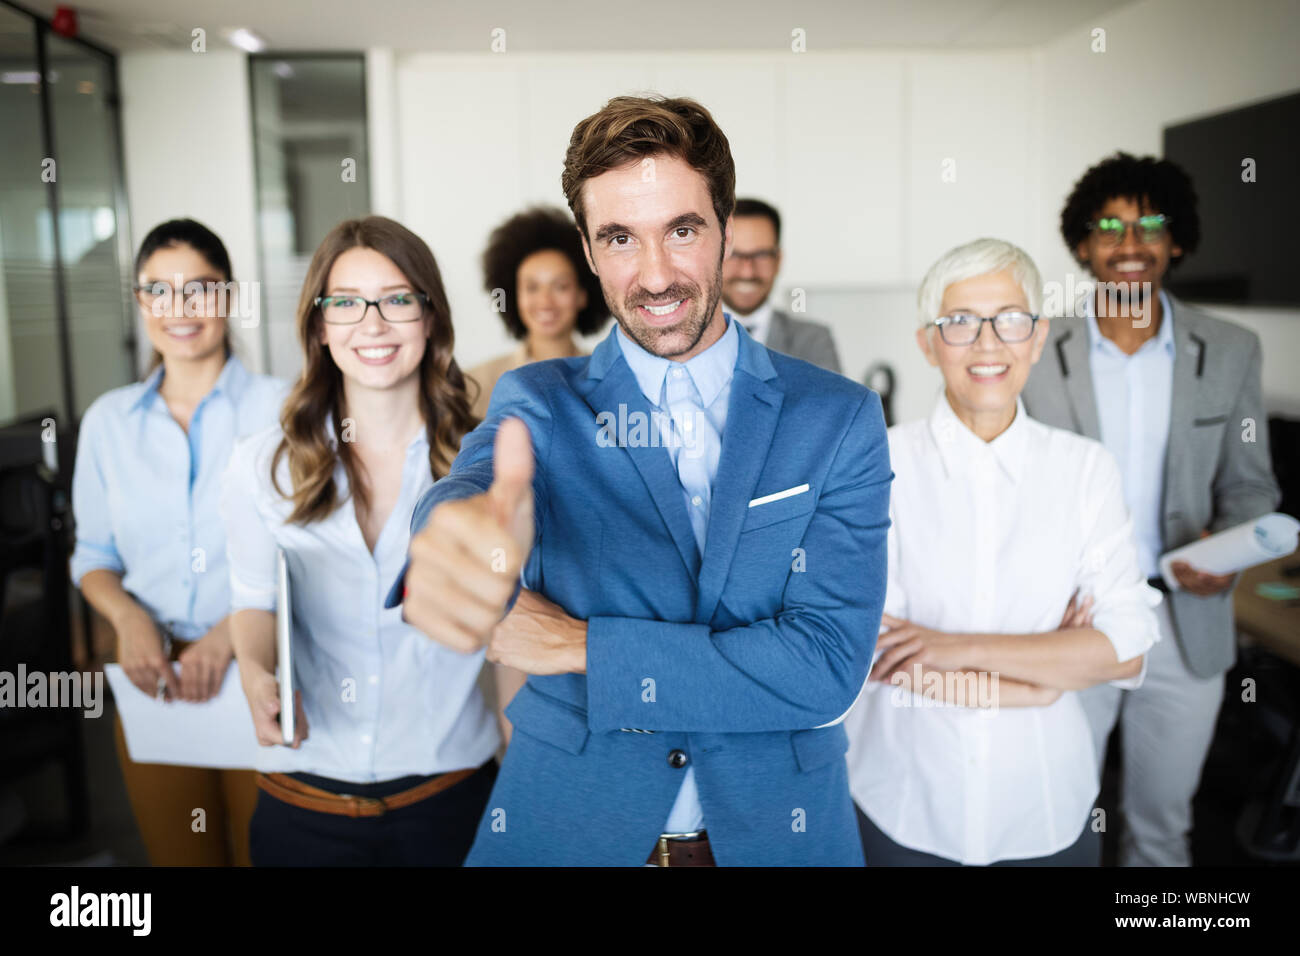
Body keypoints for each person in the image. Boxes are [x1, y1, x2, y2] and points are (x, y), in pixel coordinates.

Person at [389, 95, 892, 867]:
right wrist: (453, 531)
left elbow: (824, 669)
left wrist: (578, 645)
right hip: (568, 830)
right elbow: (478, 486)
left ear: (724, 229)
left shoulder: (838, 417)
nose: (655, 275)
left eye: (681, 231)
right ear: (590, 253)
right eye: (620, 237)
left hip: (777, 837)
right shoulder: (541, 401)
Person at [844, 237, 1161, 866]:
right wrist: (1044, 678)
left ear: (1038, 338)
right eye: (959, 322)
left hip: (1044, 811)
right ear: (928, 343)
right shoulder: (876, 464)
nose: (988, 344)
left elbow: (1125, 650)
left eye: (1010, 320)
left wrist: (955, 647)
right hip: (905, 808)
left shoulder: (1084, 470)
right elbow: (880, 657)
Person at [1022, 153, 1281, 866]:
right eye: (1110, 226)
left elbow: (1252, 486)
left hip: (1184, 621)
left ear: (1178, 242)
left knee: (1162, 829)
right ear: (1083, 244)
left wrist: (1224, 553)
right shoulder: (1036, 350)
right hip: (1069, 615)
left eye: (1150, 226)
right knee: (1058, 813)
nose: (1130, 244)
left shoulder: (1230, 350)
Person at [220, 216, 499, 866]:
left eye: (397, 299)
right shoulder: (260, 464)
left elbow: (515, 640)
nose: (371, 324)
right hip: (302, 798)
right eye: (345, 303)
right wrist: (258, 676)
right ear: (319, 326)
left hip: (453, 797)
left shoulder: (485, 464)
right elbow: (253, 602)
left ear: (430, 319)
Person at [71, 218, 287, 865]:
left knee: (266, 853)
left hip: (262, 669)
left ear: (228, 296)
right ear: (140, 303)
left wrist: (230, 635)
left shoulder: (284, 407)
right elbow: (94, 556)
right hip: (153, 679)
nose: (179, 309)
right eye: (158, 291)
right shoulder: (109, 422)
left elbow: (306, 551)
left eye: (198, 288)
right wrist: (127, 618)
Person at [466, 206, 608, 419]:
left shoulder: (609, 380)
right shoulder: (475, 386)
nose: (545, 302)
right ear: (514, 296)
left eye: (560, 286)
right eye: (532, 287)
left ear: (583, 295)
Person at [721, 197, 842, 373]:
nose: (747, 272)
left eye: (761, 255)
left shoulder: (813, 340)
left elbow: (834, 400)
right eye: (734, 255)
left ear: (778, 261)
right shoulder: (687, 337)